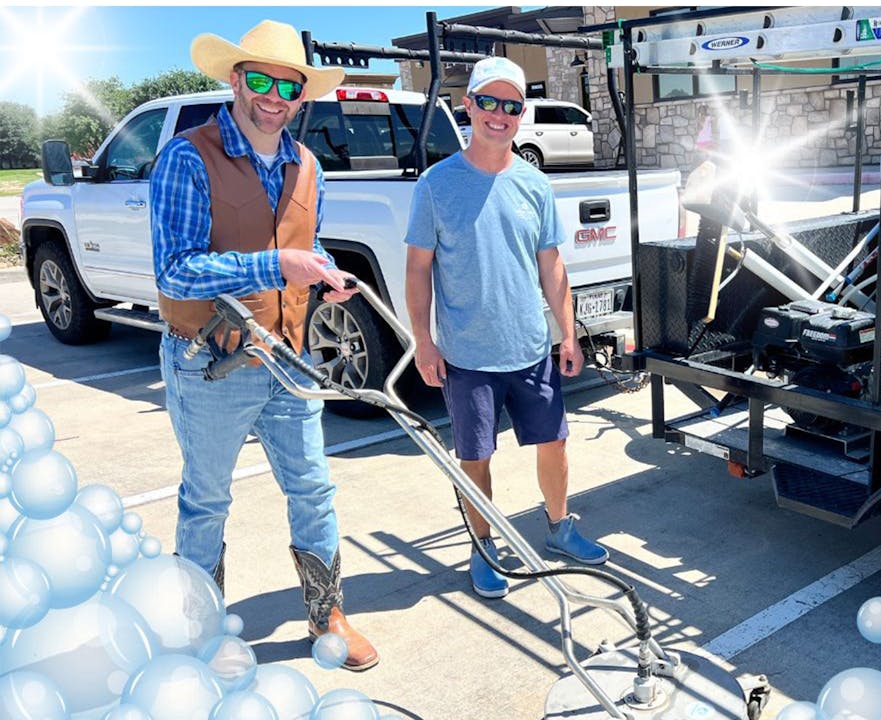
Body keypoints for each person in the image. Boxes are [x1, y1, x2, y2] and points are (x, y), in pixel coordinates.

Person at [149, 19, 378, 671]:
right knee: (208, 495)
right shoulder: (186, 157)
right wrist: (279, 265)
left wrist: (327, 272)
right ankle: (198, 632)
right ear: (234, 80)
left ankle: (327, 614)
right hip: (210, 362)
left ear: (303, 96)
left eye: (290, 84)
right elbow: (177, 270)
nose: (274, 95)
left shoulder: (308, 166)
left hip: (290, 358)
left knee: (314, 489)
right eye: (261, 79)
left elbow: (306, 245)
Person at [404, 57, 610, 600]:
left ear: (522, 114)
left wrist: (568, 334)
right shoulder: (435, 185)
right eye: (488, 102)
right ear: (467, 105)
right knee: (476, 458)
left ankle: (560, 527)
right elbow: (418, 268)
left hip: (531, 348)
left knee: (555, 444)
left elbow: (552, 264)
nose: (499, 115)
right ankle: (483, 546)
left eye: (511, 105)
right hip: (467, 356)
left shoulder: (534, 185)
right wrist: (423, 341)